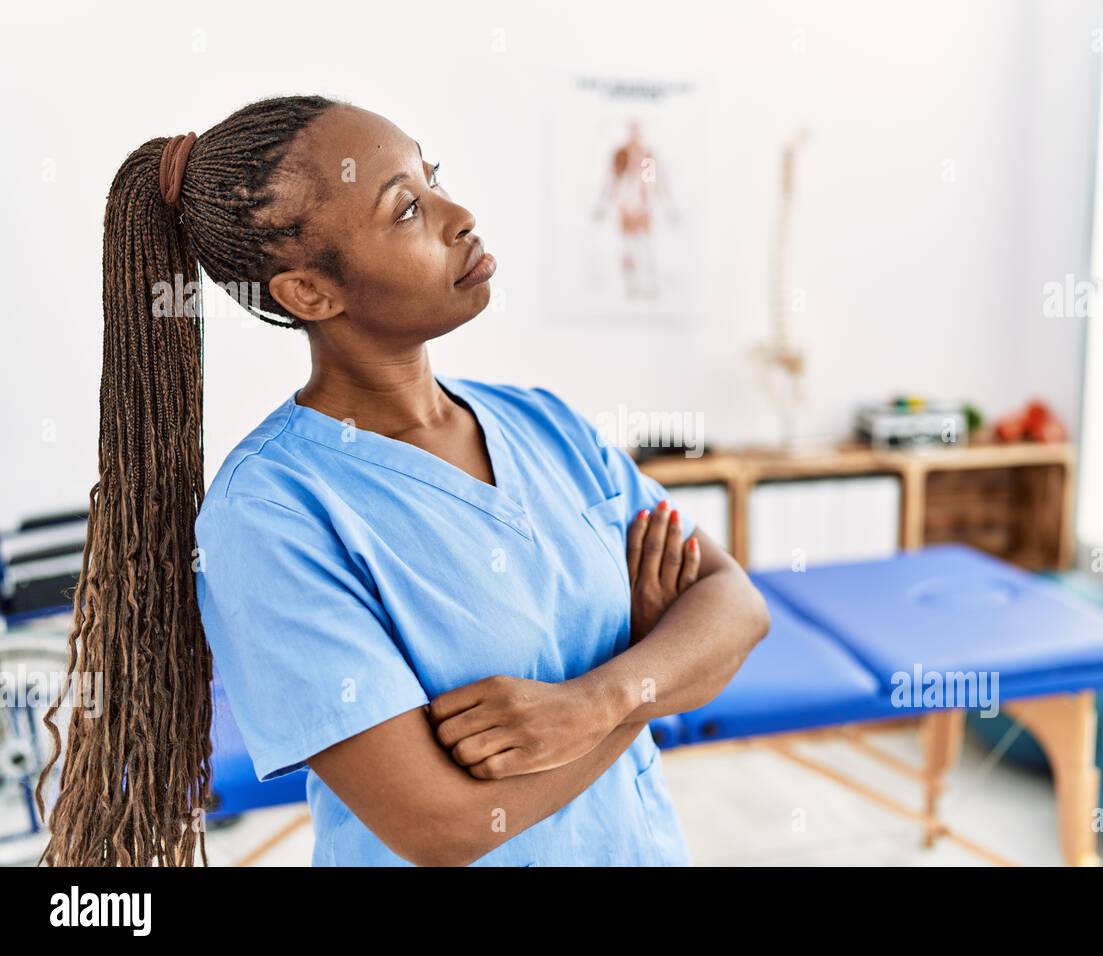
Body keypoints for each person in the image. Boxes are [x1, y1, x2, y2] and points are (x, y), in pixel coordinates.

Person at [36, 95, 770, 867]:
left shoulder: (544, 422)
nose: (460, 216)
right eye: (407, 209)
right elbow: (443, 826)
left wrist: (598, 701)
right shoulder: (270, 512)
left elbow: (738, 610)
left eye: (434, 178)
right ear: (310, 293)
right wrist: (653, 668)